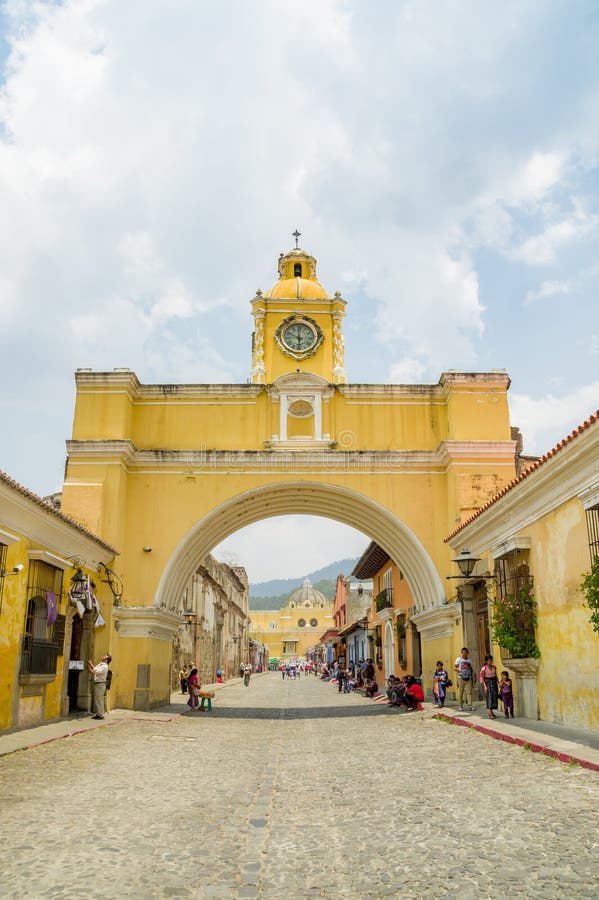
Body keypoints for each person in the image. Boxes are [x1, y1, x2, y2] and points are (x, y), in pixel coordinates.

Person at [87, 653, 112, 719]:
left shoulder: (104, 666)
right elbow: (95, 669)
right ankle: (99, 713)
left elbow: (97, 671)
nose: (103, 656)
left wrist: (91, 665)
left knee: (99, 700)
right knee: (98, 699)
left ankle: (100, 715)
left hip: (100, 684)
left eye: (105, 657)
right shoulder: (101, 664)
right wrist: (91, 669)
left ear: (106, 660)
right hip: (98, 684)